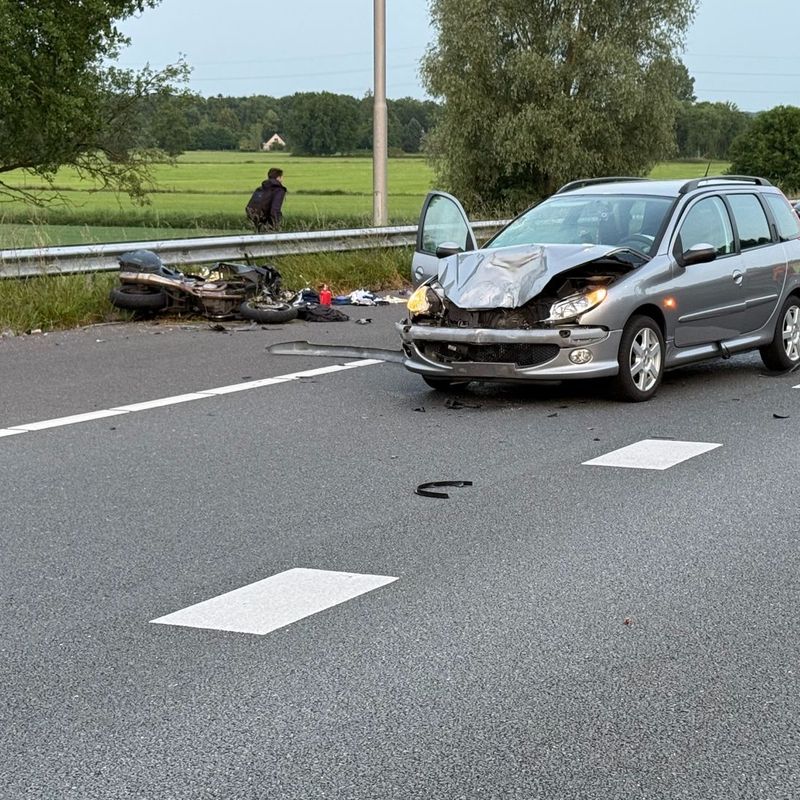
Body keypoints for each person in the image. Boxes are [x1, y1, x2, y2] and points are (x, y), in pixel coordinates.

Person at [246, 167, 287, 232]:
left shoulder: (260, 188)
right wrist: (276, 225)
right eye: (282, 177)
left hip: (257, 221)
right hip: (269, 223)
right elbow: (275, 209)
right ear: (278, 178)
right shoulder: (279, 190)